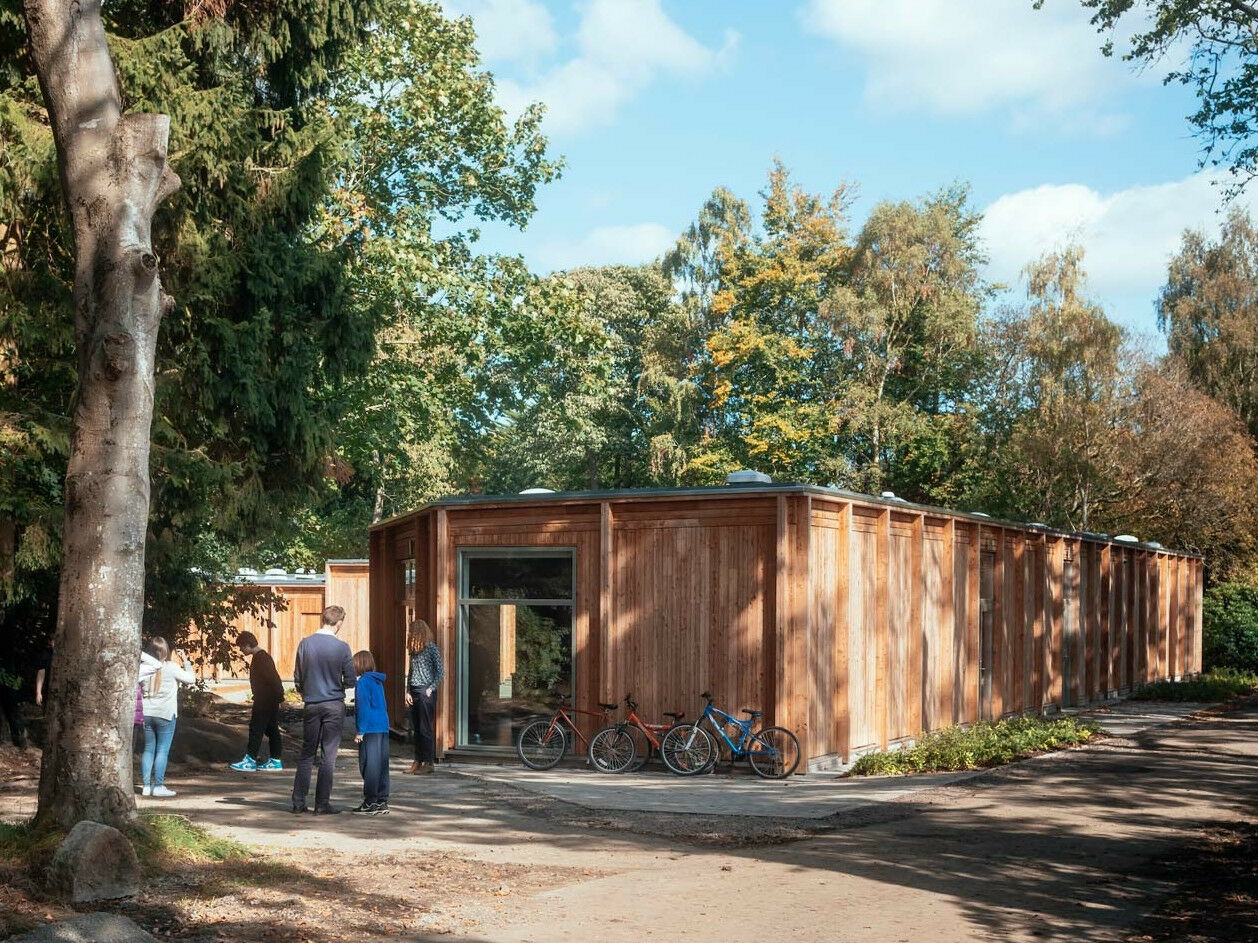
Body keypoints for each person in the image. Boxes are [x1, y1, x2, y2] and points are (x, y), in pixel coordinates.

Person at [290, 605, 356, 815]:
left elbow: (298, 677)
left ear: (322, 619)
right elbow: (351, 679)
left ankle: (298, 801)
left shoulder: (305, 644)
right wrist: (339, 685)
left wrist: (306, 690)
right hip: (334, 703)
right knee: (329, 755)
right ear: (339, 623)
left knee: (307, 753)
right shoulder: (342, 647)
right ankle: (322, 803)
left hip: (311, 703)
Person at [139, 637, 196, 798]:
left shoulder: (142, 668)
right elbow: (191, 679)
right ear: (166, 651)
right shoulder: (171, 667)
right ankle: (158, 786)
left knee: (148, 749)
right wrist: (186, 661)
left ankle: (146, 786)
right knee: (162, 751)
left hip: (147, 713)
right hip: (165, 715)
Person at [229, 631, 285, 771]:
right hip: (269, 699)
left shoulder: (261, 658)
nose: (241, 651)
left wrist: (280, 696)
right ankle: (275, 760)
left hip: (264, 699)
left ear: (248, 644)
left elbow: (274, 679)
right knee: (272, 729)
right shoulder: (261, 657)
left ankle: (250, 760)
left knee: (256, 728)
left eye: (242, 647)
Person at [351, 650, 390, 816]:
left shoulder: (363, 683)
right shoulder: (377, 681)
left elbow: (363, 708)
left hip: (370, 728)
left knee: (369, 764)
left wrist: (360, 730)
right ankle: (382, 800)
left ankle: (370, 801)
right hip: (383, 726)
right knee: (382, 765)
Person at [404, 619, 443, 775]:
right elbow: (411, 672)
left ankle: (428, 762)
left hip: (425, 691)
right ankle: (417, 760)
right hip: (414, 690)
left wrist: (431, 688)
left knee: (425, 728)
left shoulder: (431, 648)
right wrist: (407, 691)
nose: (409, 634)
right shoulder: (413, 650)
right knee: (416, 729)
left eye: (411, 631)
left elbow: (440, 671)